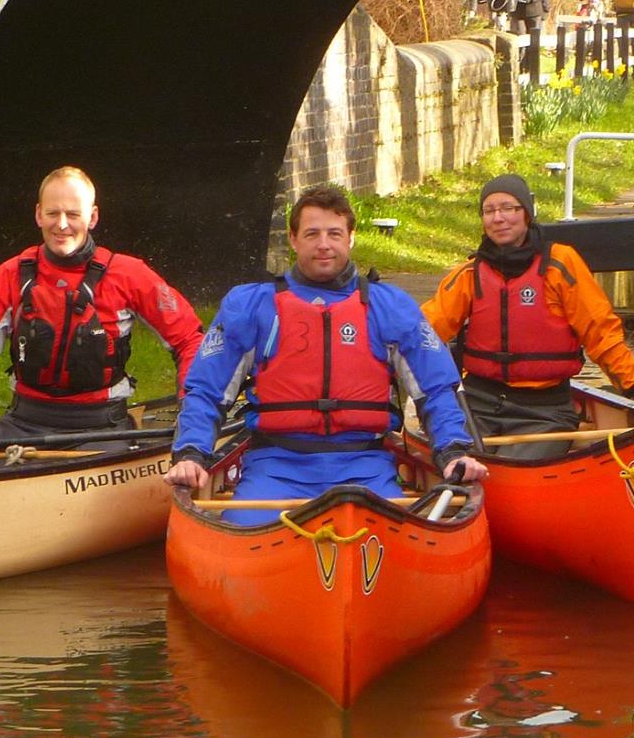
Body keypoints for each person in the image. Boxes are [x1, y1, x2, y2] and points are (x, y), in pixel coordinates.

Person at [168, 185, 485, 520]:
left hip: (366, 467)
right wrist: (191, 454)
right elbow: (206, 390)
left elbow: (436, 389)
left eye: (334, 234)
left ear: (351, 238)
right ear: (293, 239)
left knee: (397, 528)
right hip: (274, 468)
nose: (323, 244)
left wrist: (453, 450)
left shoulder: (391, 307)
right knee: (241, 527)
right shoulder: (250, 306)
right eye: (312, 234)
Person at [0, 166, 204, 460]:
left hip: (103, 428)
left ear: (92, 217)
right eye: (52, 213)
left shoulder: (129, 274)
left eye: (73, 214)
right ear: (38, 215)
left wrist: (191, 421)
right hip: (23, 423)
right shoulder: (10, 275)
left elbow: (190, 340)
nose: (62, 225)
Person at [423, 174, 634, 460]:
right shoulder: (469, 274)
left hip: (545, 411)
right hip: (477, 406)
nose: (498, 218)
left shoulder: (560, 264)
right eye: (489, 211)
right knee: (460, 457)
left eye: (508, 208)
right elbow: (424, 333)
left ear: (527, 213)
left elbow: (601, 334)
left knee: (512, 464)